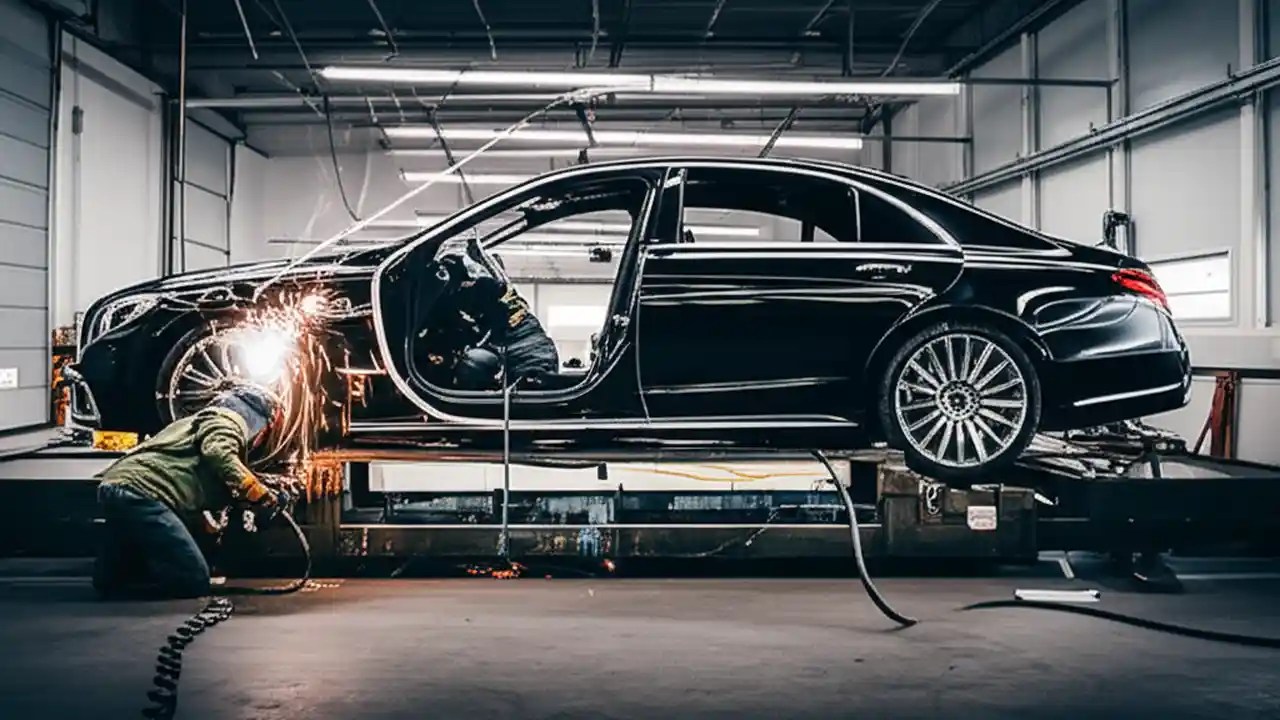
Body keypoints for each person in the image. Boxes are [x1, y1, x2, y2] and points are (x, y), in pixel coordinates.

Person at [93, 386, 289, 599]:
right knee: (192, 580)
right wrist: (256, 491)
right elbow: (218, 452)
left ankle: (115, 576)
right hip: (144, 491)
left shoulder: (193, 422)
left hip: (117, 485)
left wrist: (245, 500)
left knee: (115, 581)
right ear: (259, 424)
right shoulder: (227, 420)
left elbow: (206, 478)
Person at [438, 251, 559, 389]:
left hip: (529, 356)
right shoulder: (488, 284)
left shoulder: (480, 290)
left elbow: (481, 329)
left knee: (526, 396)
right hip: (529, 348)